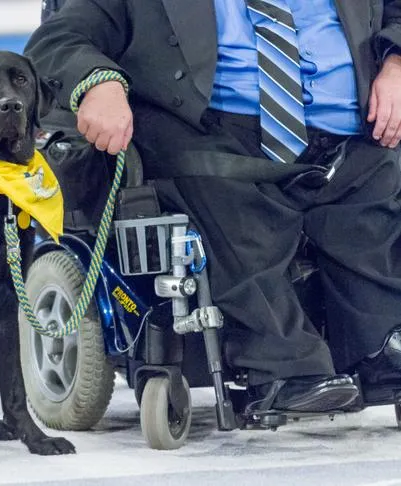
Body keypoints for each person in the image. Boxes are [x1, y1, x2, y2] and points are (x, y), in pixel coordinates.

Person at [25, 0, 401, 413]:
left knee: (372, 211)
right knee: (236, 212)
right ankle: (281, 364)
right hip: (212, 132)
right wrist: (98, 82)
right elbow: (58, 38)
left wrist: (396, 61)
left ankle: (379, 349)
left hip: (354, 129)